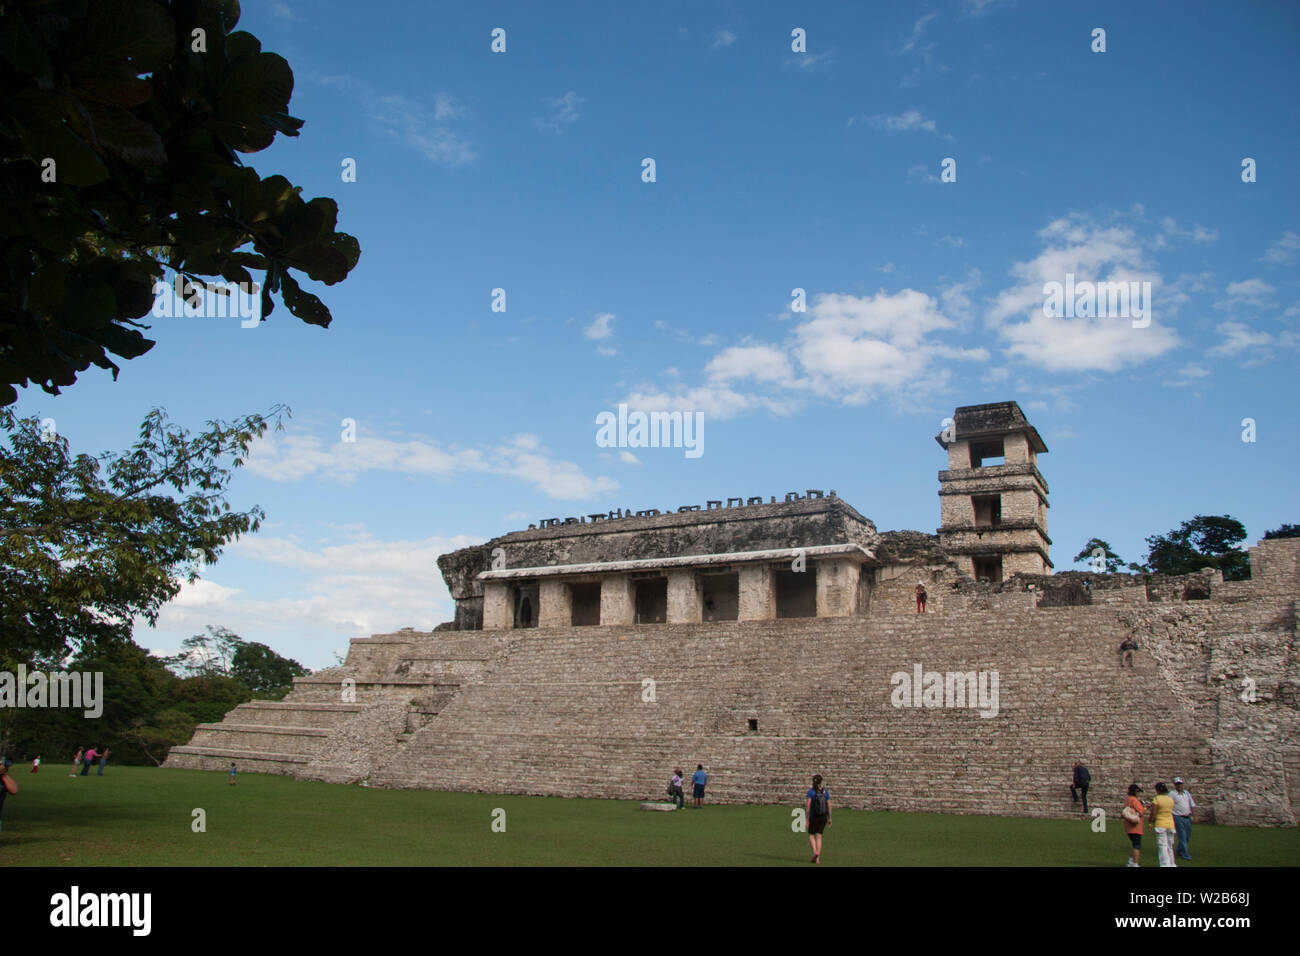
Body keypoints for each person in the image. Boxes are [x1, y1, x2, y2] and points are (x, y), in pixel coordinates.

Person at [1149, 782, 1177, 867]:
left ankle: (1165, 864)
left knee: (1162, 845)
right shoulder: (1170, 799)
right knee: (1170, 846)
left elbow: (1153, 813)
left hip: (1161, 824)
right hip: (1170, 824)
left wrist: (1150, 822)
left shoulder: (1157, 799)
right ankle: (1172, 864)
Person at [805, 774, 831, 864]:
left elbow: (808, 806)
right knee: (819, 836)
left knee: (812, 835)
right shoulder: (825, 792)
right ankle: (818, 857)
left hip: (814, 816)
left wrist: (806, 818)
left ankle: (815, 852)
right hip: (823, 816)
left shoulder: (811, 792)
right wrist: (830, 818)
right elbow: (829, 805)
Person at [1171, 777, 1195, 861]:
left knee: (1187, 836)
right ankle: (1185, 853)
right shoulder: (1172, 794)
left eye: (1180, 784)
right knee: (1182, 836)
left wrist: (1194, 816)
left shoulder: (1187, 793)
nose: (1179, 786)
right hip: (1178, 817)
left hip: (1187, 817)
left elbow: (1192, 804)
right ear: (1175, 785)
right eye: (1177, 784)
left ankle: (1179, 850)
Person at [1122, 783, 1145, 867]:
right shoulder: (1134, 800)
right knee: (1137, 845)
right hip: (1135, 827)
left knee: (1134, 844)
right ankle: (1135, 863)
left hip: (1128, 826)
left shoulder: (1127, 799)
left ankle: (1130, 861)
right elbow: (1141, 811)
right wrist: (1144, 808)